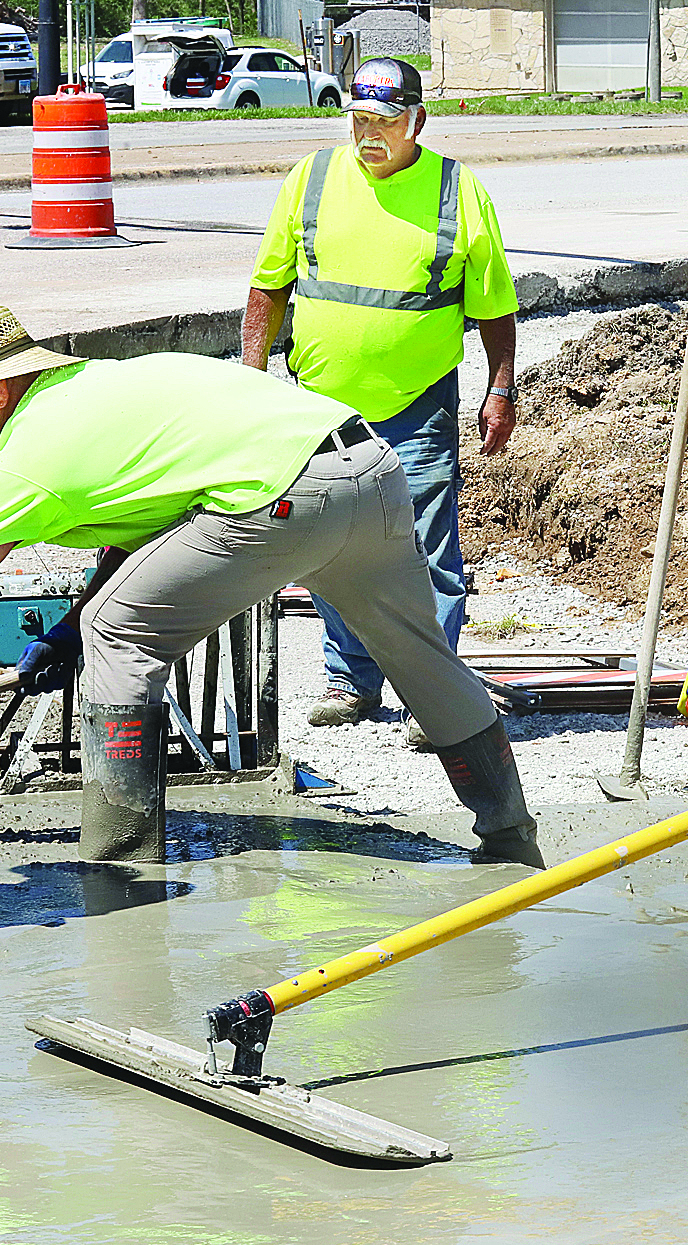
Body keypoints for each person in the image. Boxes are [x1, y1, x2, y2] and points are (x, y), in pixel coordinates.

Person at [0, 306, 545, 871]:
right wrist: (66, 629)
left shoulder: (28, 451)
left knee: (120, 633)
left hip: (282, 495)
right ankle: (512, 841)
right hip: (371, 471)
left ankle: (120, 865)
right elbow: (151, 530)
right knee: (424, 663)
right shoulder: (98, 389)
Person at [242, 56, 518, 744]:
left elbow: (494, 308)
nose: (369, 135)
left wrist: (501, 387)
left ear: (417, 121)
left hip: (417, 402)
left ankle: (435, 692)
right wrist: (248, 380)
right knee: (334, 544)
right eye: (359, 120)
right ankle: (351, 678)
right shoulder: (311, 180)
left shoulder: (457, 191)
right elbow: (268, 287)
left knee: (426, 545)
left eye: (383, 123)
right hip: (323, 408)